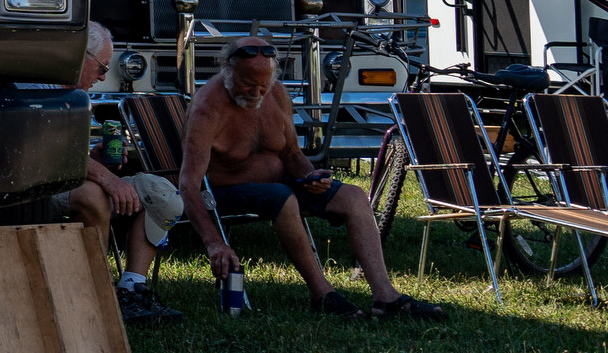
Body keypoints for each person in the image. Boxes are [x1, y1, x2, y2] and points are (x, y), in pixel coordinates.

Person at [179, 38, 443, 320]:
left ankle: (386, 298)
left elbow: (292, 153)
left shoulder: (276, 94)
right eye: (248, 84)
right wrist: (214, 242)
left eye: (263, 85)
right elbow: (188, 184)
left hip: (281, 186)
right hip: (226, 192)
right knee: (283, 198)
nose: (257, 92)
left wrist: (309, 175)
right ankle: (322, 294)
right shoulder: (208, 108)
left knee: (353, 196)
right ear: (227, 72)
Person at [52, 24, 185, 324]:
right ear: (78, 56)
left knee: (161, 193)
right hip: (39, 185)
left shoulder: (77, 97)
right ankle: (91, 288)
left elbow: (73, 156)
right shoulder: (39, 90)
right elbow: (49, 153)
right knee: (94, 193)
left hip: (72, 176)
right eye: (101, 68)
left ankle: (132, 287)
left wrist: (96, 160)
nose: (102, 77)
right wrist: (107, 179)